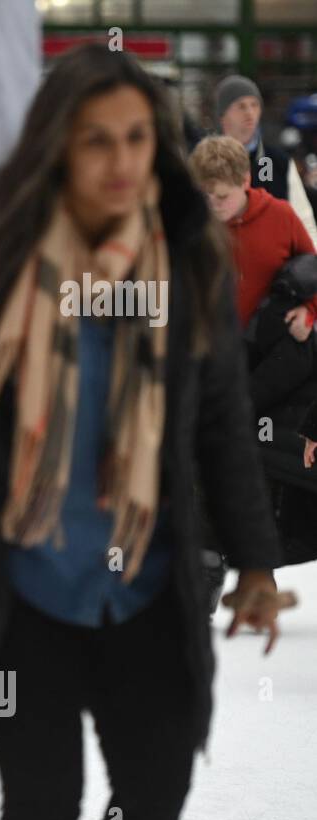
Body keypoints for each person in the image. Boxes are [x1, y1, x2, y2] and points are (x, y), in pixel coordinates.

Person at [0, 47, 289, 820]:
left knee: (151, 804)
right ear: (58, 144)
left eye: (139, 139)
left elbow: (218, 419)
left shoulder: (189, 262)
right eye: (96, 139)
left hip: (150, 588)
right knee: (42, 807)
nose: (121, 161)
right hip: (21, 591)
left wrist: (253, 561)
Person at [190, 135, 317, 572]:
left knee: (262, 459)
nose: (213, 205)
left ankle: (267, 558)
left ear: (246, 180)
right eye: (204, 196)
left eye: (221, 197)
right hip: (214, 360)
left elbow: (314, 269)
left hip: (272, 366)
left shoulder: (280, 218)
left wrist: (309, 311)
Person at [216, 74, 317, 245]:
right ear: (223, 115)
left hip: (273, 263)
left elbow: (305, 223)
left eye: (254, 105)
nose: (249, 113)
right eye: (241, 106)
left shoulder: (279, 162)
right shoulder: (205, 160)